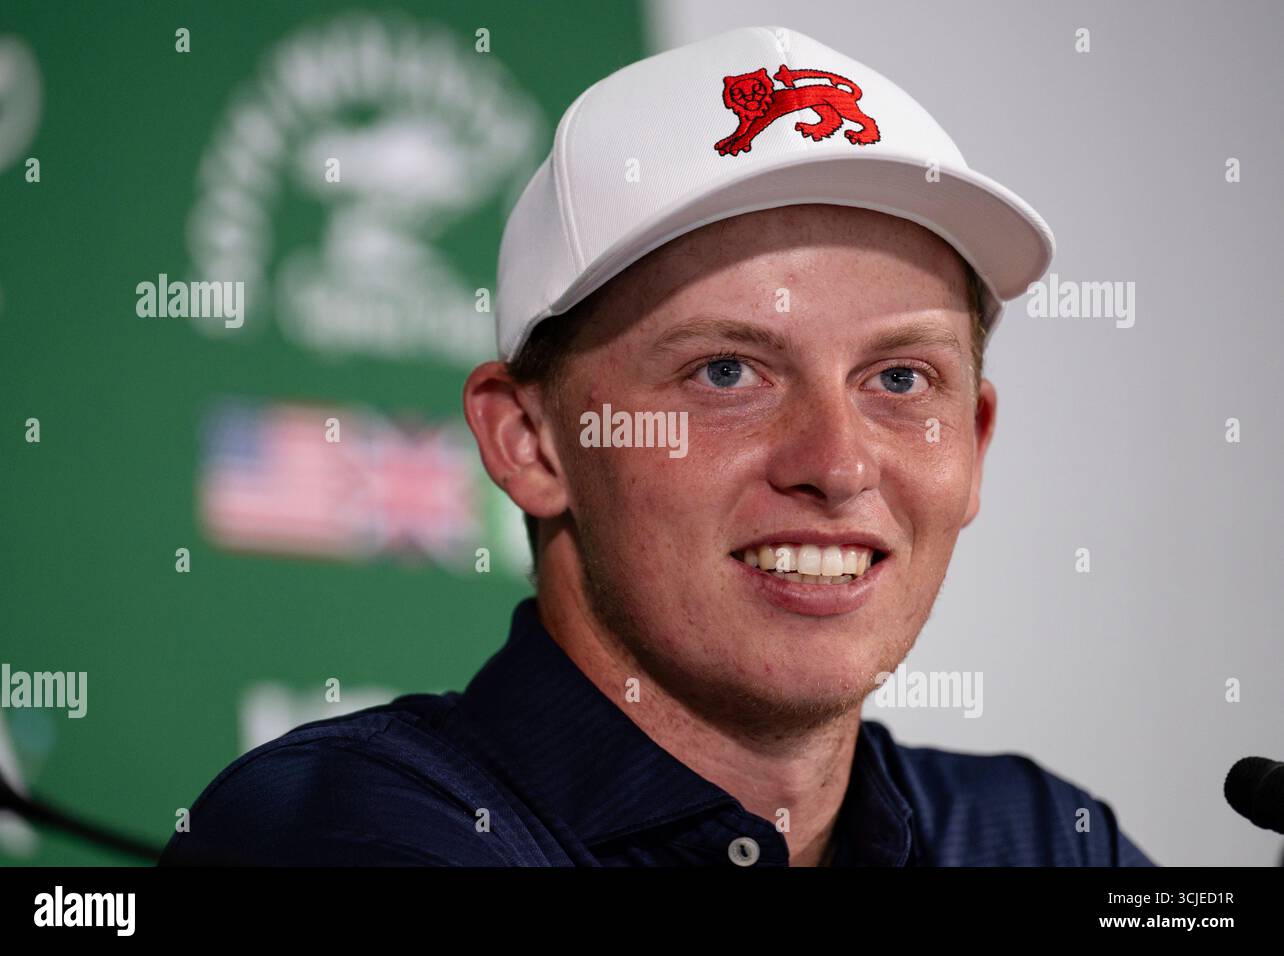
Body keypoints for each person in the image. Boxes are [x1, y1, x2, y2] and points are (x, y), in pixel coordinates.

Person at [160, 25, 1154, 866]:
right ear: (529, 441)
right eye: (727, 371)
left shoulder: (1036, 838)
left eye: (898, 380)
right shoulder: (343, 834)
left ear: (972, 441)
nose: (838, 463)